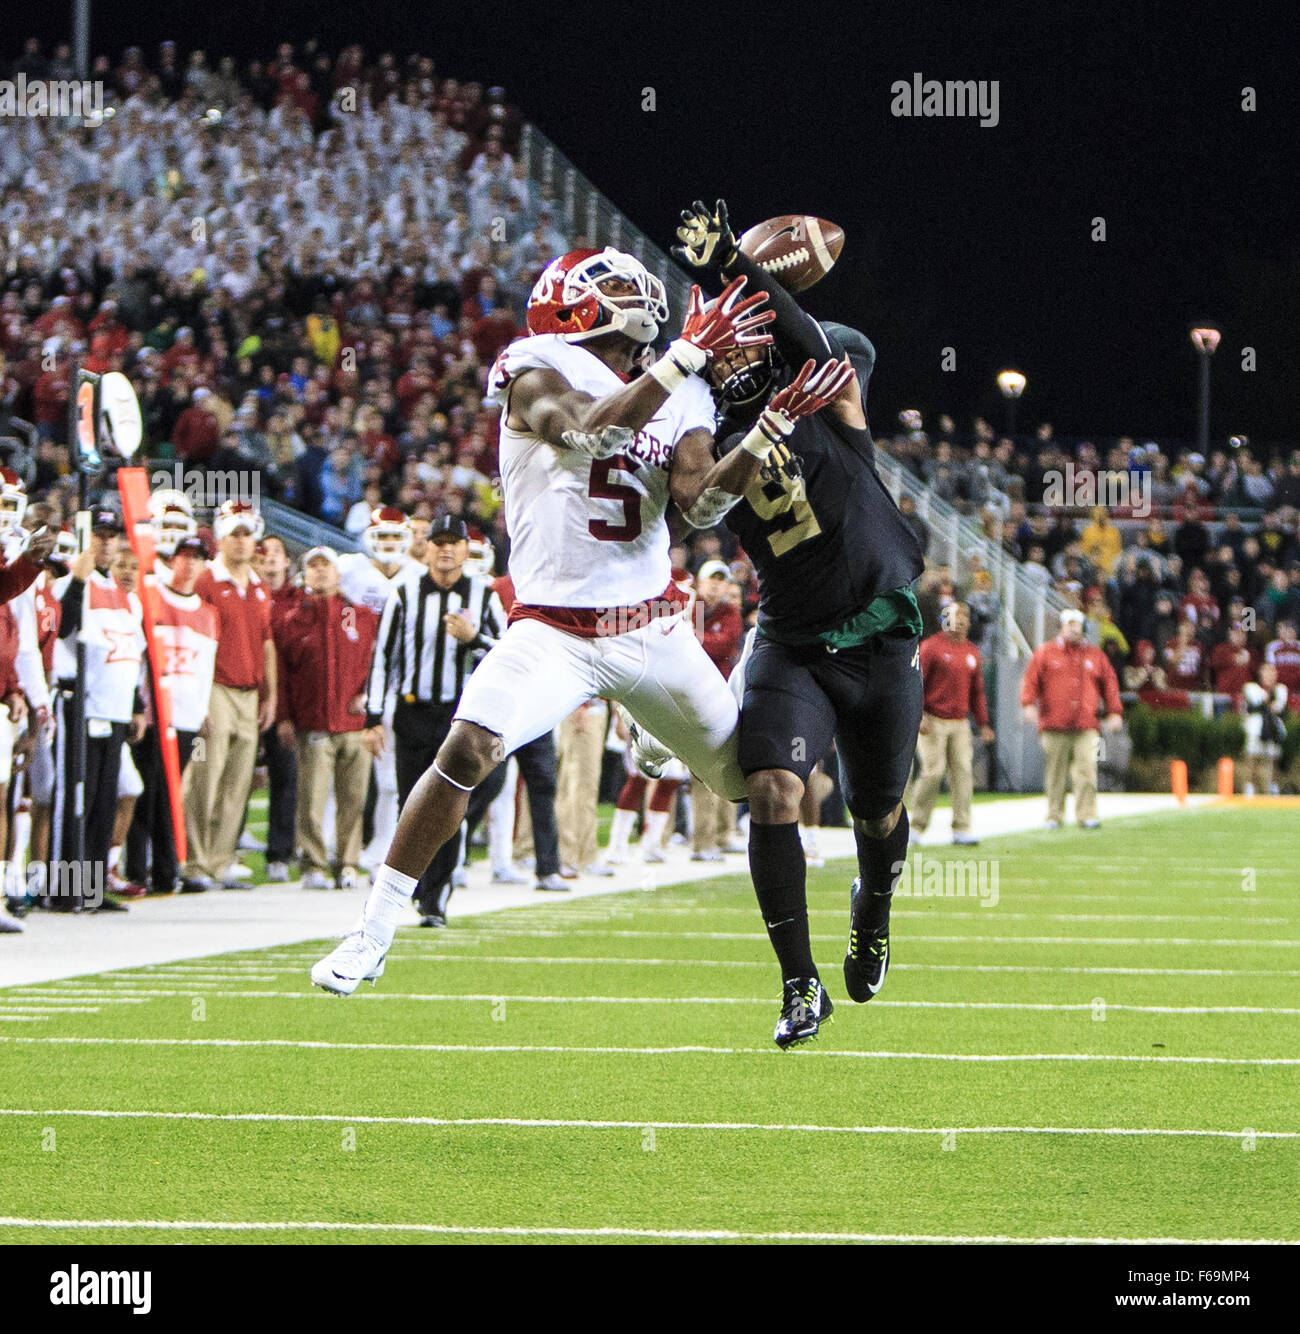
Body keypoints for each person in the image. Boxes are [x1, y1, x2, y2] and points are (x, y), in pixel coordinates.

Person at [313, 243, 784, 994]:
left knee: (751, 785)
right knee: (468, 747)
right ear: (576, 298)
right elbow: (591, 430)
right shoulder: (534, 366)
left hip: (651, 626)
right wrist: (684, 357)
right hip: (554, 630)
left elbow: (699, 506)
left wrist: (761, 438)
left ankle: (660, 728)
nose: (636, 289)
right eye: (615, 281)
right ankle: (371, 932)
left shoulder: (687, 393)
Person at [670, 200, 919, 1046]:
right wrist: (753, 409)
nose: (745, 339)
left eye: (754, 325)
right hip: (794, 642)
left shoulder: (827, 388)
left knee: (877, 815)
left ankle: (873, 909)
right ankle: (798, 984)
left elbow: (802, 335)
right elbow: (700, 501)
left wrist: (729, 268)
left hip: (880, 634)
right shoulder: (699, 421)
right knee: (774, 791)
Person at [361, 516, 506, 925]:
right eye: (438, 542)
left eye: (453, 543)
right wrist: (373, 717)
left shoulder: (483, 595)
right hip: (413, 711)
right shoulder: (404, 593)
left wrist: (473, 638)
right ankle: (417, 887)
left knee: (450, 803)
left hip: (460, 716)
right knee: (413, 806)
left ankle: (435, 896)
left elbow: (507, 651)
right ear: (425, 548)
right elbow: (382, 657)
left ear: (465, 549)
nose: (445, 550)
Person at [183, 500, 275, 891]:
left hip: (249, 690)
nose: (240, 541)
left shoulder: (258, 586)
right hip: (217, 686)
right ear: (220, 536)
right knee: (206, 774)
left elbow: (266, 642)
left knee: (238, 780)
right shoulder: (206, 580)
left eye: (246, 533)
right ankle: (194, 861)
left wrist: (270, 695)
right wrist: (198, 696)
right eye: (233, 533)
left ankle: (221, 860)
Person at [275, 547, 378, 890]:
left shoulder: (362, 616)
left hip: (354, 723)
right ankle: (313, 864)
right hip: (313, 722)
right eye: (313, 566)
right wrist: (285, 717)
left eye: (326, 566)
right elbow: (282, 674)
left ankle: (347, 863)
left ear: (338, 573)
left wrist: (369, 701)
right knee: (312, 799)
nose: (319, 572)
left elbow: (377, 664)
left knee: (354, 799)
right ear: (304, 574)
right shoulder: (292, 619)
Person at [124, 535, 217, 896]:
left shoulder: (208, 614)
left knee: (169, 793)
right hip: (154, 713)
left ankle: (165, 869)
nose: (190, 564)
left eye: (197, 558)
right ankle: (137, 868)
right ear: (172, 559)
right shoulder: (153, 599)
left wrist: (203, 708)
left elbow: (205, 668)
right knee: (145, 791)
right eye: (184, 556)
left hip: (186, 716)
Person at [338, 507, 418, 873]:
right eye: (381, 536)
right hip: (349, 681)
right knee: (342, 772)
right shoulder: (350, 570)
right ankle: (332, 843)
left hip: (398, 684)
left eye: (394, 537)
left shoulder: (418, 576)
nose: (387, 544)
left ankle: (381, 844)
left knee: (389, 776)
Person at [1020, 608, 1123, 829]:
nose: (1075, 630)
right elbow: (1031, 681)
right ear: (1062, 626)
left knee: (1086, 770)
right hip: (1054, 723)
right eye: (1070, 625)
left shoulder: (1095, 655)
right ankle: (1054, 815)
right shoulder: (1045, 652)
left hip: (1086, 724)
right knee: (1055, 773)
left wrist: (1115, 711)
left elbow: (1110, 684)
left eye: (1078, 625)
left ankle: (1086, 814)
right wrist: (1028, 704)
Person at [910, 602, 995, 845]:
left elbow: (977, 691)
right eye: (952, 616)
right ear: (942, 619)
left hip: (959, 722)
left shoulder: (971, 652)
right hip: (933, 720)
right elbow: (917, 684)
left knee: (963, 773)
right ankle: (916, 825)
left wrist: (983, 723)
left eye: (963, 616)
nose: (958, 621)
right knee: (932, 771)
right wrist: (919, 714)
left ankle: (961, 827)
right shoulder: (930, 647)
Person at [690, 559, 744, 862]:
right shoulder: (690, 608)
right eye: (711, 579)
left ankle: (723, 833)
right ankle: (702, 840)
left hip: (721, 697)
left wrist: (696, 637)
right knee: (700, 771)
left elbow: (723, 646)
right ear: (700, 581)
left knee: (726, 765)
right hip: (691, 697)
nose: (715, 585)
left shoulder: (730, 613)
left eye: (721, 580)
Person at [1241, 662, 1287, 797]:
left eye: (1272, 672)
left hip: (1274, 728)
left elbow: (1281, 708)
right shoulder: (1252, 688)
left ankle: (1273, 787)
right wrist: (1267, 704)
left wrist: (1270, 704)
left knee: (1273, 758)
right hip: (1256, 727)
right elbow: (1255, 706)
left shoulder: (1280, 689)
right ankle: (1249, 787)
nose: (1269, 675)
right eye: (1266, 672)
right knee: (1253, 757)